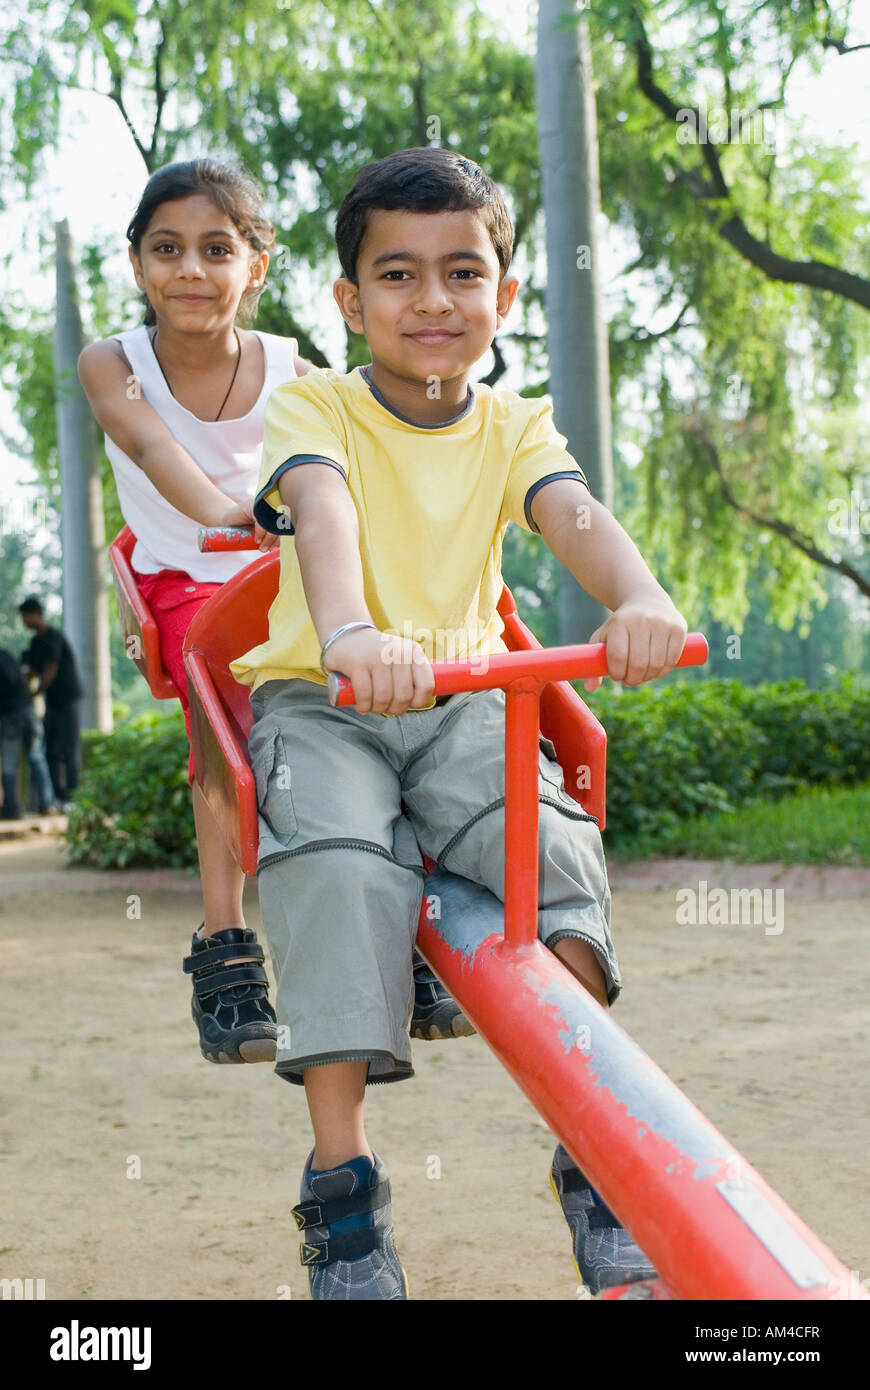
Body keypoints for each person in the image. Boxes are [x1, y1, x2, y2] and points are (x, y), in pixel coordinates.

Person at [230, 147, 689, 1299]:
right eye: (397, 274)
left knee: (557, 853)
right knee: (333, 872)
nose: (433, 301)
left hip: (468, 697)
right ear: (349, 300)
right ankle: (345, 1194)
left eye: (463, 272)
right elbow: (323, 514)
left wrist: (635, 595)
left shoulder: (514, 423)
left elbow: (572, 514)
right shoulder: (315, 404)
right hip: (327, 697)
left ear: (505, 295)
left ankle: (595, 1154)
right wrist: (346, 634)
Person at [77, 157, 467, 1069]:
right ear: (137, 265)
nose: (189, 271)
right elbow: (151, 444)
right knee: (221, 719)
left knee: (379, 684)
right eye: (166, 249)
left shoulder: (293, 366)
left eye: (217, 249)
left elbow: (354, 448)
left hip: (291, 576)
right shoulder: (113, 364)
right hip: (189, 577)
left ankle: (417, 914)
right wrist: (231, 517)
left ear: (256, 268)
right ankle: (225, 949)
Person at [19, 599, 83, 809]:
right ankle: (58, 796)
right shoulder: (34, 644)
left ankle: (73, 798)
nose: (24, 621)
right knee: (52, 750)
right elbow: (31, 671)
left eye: (26, 616)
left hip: (68, 699)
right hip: (52, 703)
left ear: (36, 614)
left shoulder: (53, 637)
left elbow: (50, 668)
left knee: (69, 748)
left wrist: (36, 692)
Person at [0, 645, 56, 818]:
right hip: (29, 710)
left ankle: (11, 808)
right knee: (37, 757)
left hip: (11, 715)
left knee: (9, 763)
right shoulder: (6, 654)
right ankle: (47, 803)